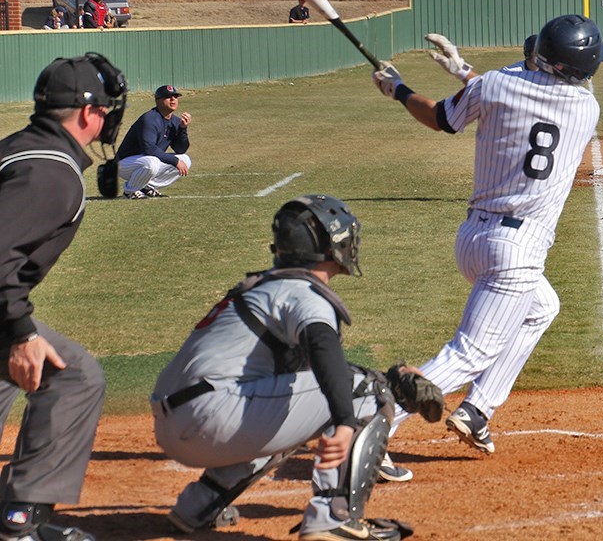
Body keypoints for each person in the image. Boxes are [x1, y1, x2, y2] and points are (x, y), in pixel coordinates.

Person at [372, 14, 603, 464]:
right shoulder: (586, 108)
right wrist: (463, 71)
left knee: (543, 308)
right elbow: (526, 93)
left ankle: (478, 410)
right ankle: (373, 421)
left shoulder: (495, 85)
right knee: (469, 352)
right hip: (517, 252)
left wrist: (399, 89)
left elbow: (442, 117)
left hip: (474, 240)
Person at [152, 194, 437, 540]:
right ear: (328, 246)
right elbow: (322, 348)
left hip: (177, 422)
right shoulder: (304, 293)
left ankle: (197, 506)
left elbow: (311, 371)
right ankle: (333, 521)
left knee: (299, 392)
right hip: (212, 417)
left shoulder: (266, 287)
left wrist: (385, 380)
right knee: (366, 392)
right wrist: (353, 415)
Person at [0, 52, 129, 541]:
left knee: (15, 372)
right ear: (85, 113)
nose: (109, 118)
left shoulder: (20, 149)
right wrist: (19, 330)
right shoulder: (52, 174)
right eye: (105, 109)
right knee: (73, 375)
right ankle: (20, 522)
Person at [116, 85, 192, 199]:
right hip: (125, 163)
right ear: (158, 100)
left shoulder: (175, 121)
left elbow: (180, 149)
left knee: (185, 160)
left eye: (175, 96)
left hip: (145, 161)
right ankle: (130, 191)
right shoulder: (150, 119)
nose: (173, 99)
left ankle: (145, 186)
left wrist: (182, 128)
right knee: (152, 162)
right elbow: (149, 148)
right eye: (168, 97)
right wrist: (174, 161)